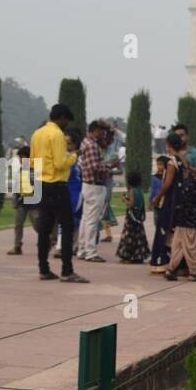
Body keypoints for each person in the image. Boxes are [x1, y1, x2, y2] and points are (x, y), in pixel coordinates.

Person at [29, 104, 88, 282]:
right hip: (57, 185)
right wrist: (74, 155)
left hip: (41, 183)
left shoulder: (37, 133)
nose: (66, 124)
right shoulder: (57, 135)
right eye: (66, 120)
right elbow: (61, 163)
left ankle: (43, 269)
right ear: (61, 118)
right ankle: (67, 271)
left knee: (44, 229)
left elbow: (32, 162)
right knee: (67, 226)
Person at [164, 164, 196, 281]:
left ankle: (171, 269)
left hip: (180, 222)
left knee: (178, 247)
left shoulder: (186, 184)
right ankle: (194, 272)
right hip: (192, 224)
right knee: (193, 248)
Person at [77, 120, 111, 262]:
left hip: (88, 184)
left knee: (86, 219)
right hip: (95, 185)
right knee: (92, 220)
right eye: (101, 131)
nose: (103, 134)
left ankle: (82, 249)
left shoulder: (86, 142)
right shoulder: (92, 146)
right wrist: (108, 166)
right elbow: (93, 167)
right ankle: (90, 252)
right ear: (95, 130)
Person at [150, 134, 182, 271]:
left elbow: (167, 183)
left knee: (163, 228)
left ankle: (161, 261)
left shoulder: (171, 162)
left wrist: (157, 197)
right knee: (173, 230)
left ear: (168, 145)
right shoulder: (182, 160)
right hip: (179, 199)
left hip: (170, 200)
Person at [116, 170, 150, 264]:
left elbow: (130, 204)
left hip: (131, 217)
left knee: (129, 236)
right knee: (139, 236)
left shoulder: (131, 191)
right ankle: (139, 256)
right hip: (138, 217)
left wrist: (124, 200)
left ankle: (128, 256)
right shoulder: (140, 190)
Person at [6, 145, 35, 255]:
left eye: (21, 157)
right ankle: (17, 245)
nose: (19, 160)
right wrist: (15, 201)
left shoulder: (35, 169)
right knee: (18, 225)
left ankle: (50, 240)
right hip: (21, 203)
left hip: (33, 203)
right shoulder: (20, 170)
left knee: (38, 225)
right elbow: (17, 188)